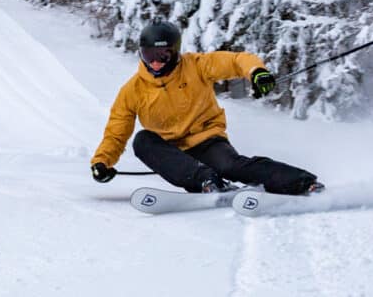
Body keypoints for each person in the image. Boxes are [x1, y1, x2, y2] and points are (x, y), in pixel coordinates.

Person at [90, 20, 322, 194]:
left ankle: (303, 183)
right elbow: (116, 132)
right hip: (173, 154)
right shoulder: (133, 90)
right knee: (142, 140)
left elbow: (235, 61)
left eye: (163, 55)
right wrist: (102, 161)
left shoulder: (196, 66)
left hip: (207, 141)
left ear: (175, 52)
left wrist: (256, 72)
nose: (156, 63)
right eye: (149, 55)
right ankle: (207, 181)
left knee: (231, 166)